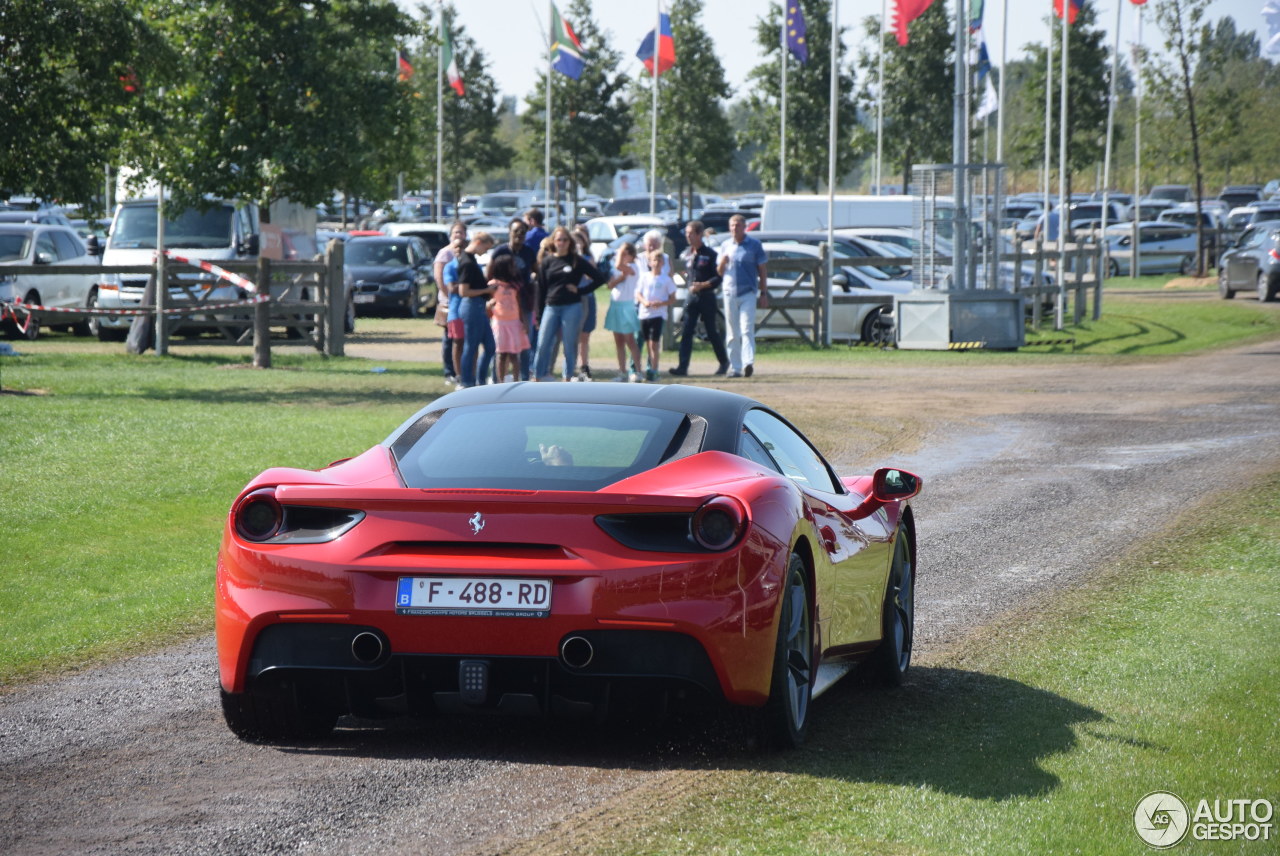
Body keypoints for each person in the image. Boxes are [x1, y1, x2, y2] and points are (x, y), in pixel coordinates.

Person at [533, 226, 608, 382]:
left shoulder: (576, 260)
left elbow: (599, 278)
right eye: (559, 239)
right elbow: (541, 290)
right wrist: (539, 316)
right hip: (551, 306)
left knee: (569, 343)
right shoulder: (547, 261)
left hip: (572, 307)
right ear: (554, 241)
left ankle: (567, 376)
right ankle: (538, 375)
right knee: (543, 342)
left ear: (570, 242)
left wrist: (580, 290)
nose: (562, 243)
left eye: (565, 240)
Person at [669, 220, 729, 377]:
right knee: (687, 330)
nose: (688, 236)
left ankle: (723, 362)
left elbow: (718, 278)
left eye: (691, 233)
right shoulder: (688, 253)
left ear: (699, 234)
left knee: (711, 331)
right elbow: (687, 272)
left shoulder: (710, 254)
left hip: (707, 296)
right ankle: (682, 366)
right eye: (686, 233)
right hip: (692, 297)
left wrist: (702, 285)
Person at [716, 214, 768, 378]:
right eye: (732, 225)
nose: (734, 228)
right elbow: (719, 272)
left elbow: (762, 270)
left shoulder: (754, 245)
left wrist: (763, 292)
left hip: (748, 292)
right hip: (729, 291)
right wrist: (723, 262)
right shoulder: (725, 245)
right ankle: (735, 367)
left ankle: (748, 363)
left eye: (737, 225)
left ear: (744, 226)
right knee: (732, 331)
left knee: (746, 329)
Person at [490, 218, 539, 380]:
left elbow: (536, 271)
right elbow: (489, 274)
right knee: (499, 347)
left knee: (524, 343)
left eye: (523, 232)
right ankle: (497, 379)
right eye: (516, 231)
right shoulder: (500, 251)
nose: (519, 234)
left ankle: (523, 378)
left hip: (524, 300)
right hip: (502, 306)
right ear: (509, 232)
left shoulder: (529, 252)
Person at [455, 232, 497, 388]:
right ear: (478, 242)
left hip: (478, 306)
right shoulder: (466, 262)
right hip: (471, 306)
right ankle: (466, 382)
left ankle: (480, 380)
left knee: (490, 346)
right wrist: (486, 291)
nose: (485, 252)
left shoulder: (472, 259)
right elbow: (463, 291)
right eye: (486, 247)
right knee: (471, 346)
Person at [635, 247, 677, 381]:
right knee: (647, 342)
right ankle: (646, 368)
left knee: (655, 343)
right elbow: (638, 293)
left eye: (659, 261)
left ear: (663, 263)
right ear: (649, 262)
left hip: (658, 314)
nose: (656, 263)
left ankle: (654, 369)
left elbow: (672, 298)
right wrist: (644, 302)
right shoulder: (645, 277)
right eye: (654, 260)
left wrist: (661, 303)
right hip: (644, 314)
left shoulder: (666, 280)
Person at [486, 253, 529, 383]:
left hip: (514, 322)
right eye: (512, 266)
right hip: (499, 323)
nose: (514, 268)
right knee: (501, 353)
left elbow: (519, 304)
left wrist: (524, 321)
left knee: (514, 354)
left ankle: (516, 380)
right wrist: (489, 306)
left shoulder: (514, 285)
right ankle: (500, 381)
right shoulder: (493, 285)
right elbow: (487, 304)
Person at [433, 221, 467, 384]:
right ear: (450, 235)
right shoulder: (444, 254)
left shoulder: (466, 253)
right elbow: (439, 278)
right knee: (449, 338)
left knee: (462, 338)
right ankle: (449, 372)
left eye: (461, 233)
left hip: (464, 302)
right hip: (449, 302)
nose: (458, 236)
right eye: (455, 233)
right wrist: (449, 297)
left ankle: (462, 369)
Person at [603, 241, 643, 382]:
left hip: (626, 306)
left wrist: (620, 253)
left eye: (626, 253)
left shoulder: (633, 267)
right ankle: (622, 372)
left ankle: (638, 371)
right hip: (615, 305)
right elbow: (610, 285)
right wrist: (620, 277)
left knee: (630, 340)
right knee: (618, 341)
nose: (623, 256)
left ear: (632, 255)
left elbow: (619, 265)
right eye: (622, 253)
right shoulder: (618, 270)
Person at [573, 224, 597, 380]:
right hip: (574, 300)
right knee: (573, 334)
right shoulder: (569, 258)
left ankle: (584, 365)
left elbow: (593, 277)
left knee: (585, 334)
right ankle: (571, 366)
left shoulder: (588, 257)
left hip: (587, 297)